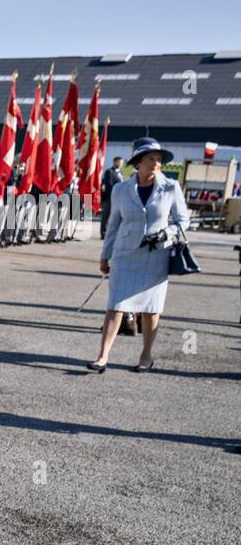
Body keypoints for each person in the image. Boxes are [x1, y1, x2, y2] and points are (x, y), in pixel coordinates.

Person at [88, 138, 188, 374]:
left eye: (158, 159)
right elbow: (113, 224)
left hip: (156, 256)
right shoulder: (121, 189)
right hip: (125, 255)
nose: (156, 163)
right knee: (115, 305)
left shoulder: (171, 187)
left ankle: (146, 355)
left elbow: (184, 221)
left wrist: (167, 233)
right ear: (138, 163)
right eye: (151, 159)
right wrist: (105, 255)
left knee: (151, 309)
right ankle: (102, 356)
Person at [100, 155, 124, 239]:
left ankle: (113, 233)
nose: (121, 164)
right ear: (115, 162)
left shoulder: (120, 173)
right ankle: (103, 233)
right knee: (106, 216)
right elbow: (109, 185)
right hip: (110, 197)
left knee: (115, 216)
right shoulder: (109, 172)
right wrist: (115, 194)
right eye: (119, 163)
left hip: (119, 198)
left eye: (121, 163)